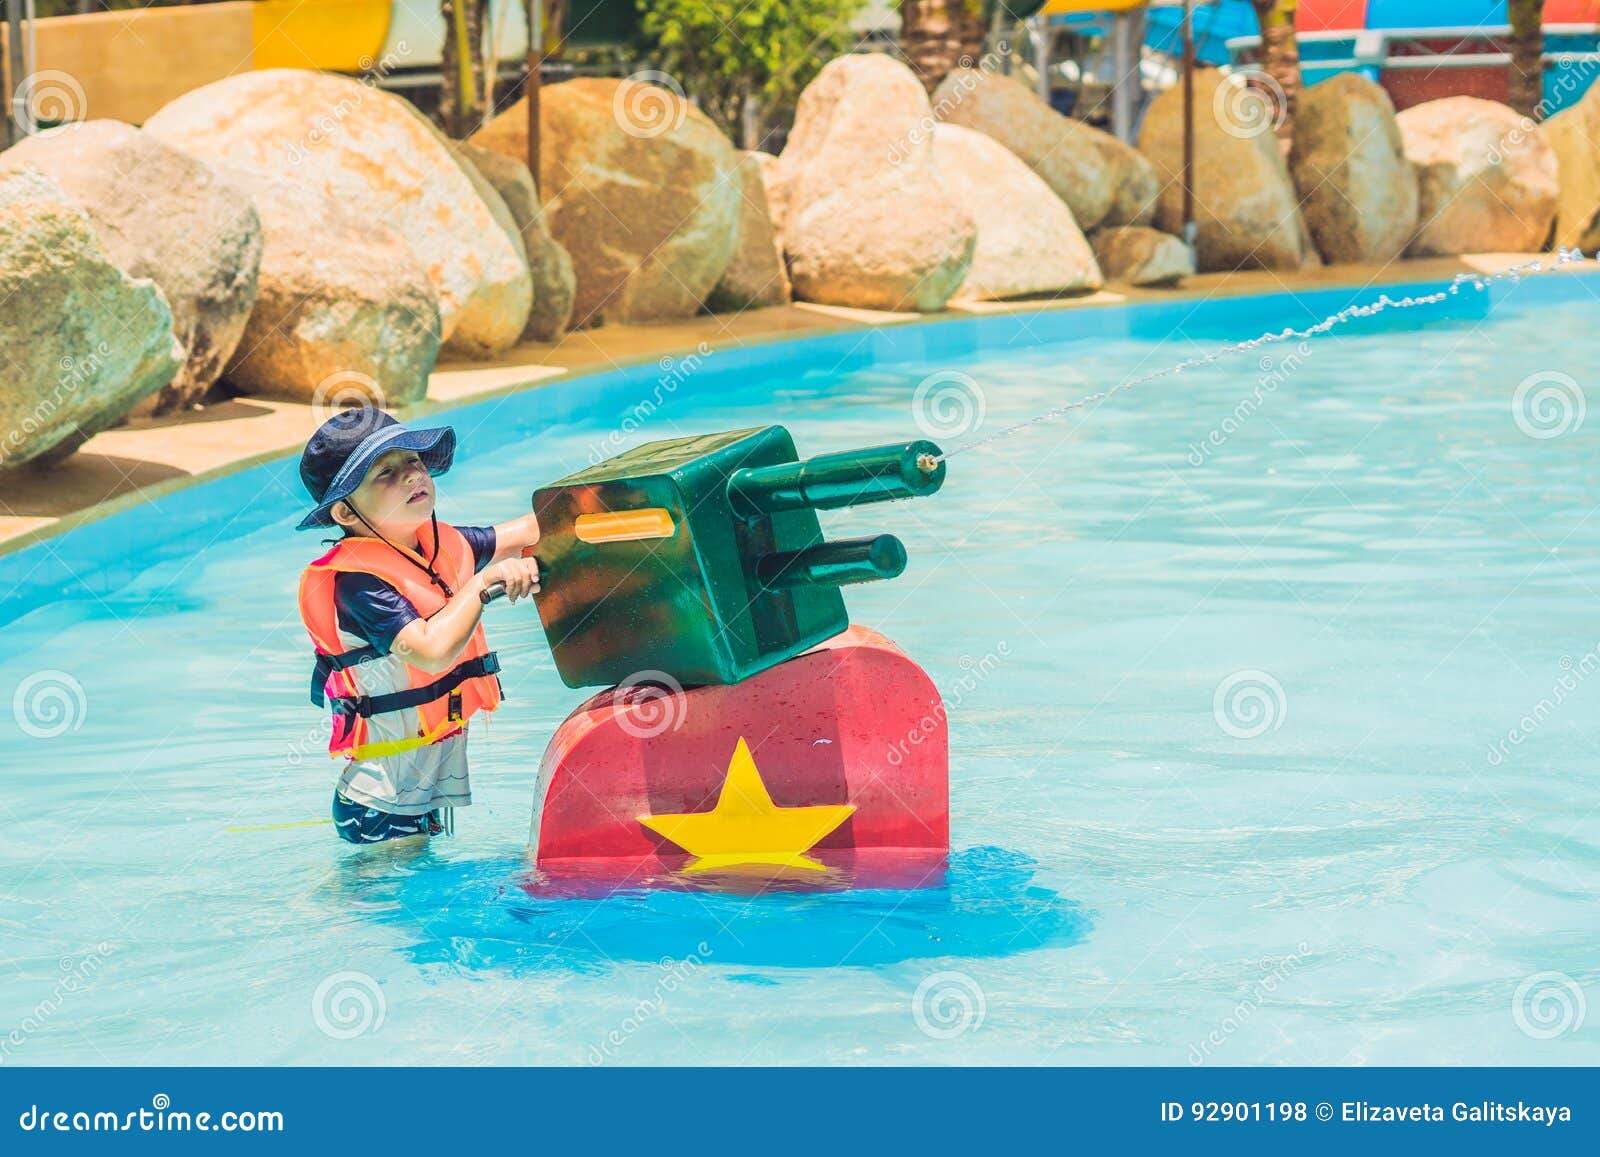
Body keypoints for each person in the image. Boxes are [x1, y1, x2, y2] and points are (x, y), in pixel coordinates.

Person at [294, 407, 542, 845]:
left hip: (415, 800)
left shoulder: (441, 545)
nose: (411, 475)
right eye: (384, 473)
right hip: (379, 808)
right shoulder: (359, 585)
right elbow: (431, 651)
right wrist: (485, 583)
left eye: (413, 460)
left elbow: (529, 531)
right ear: (347, 514)